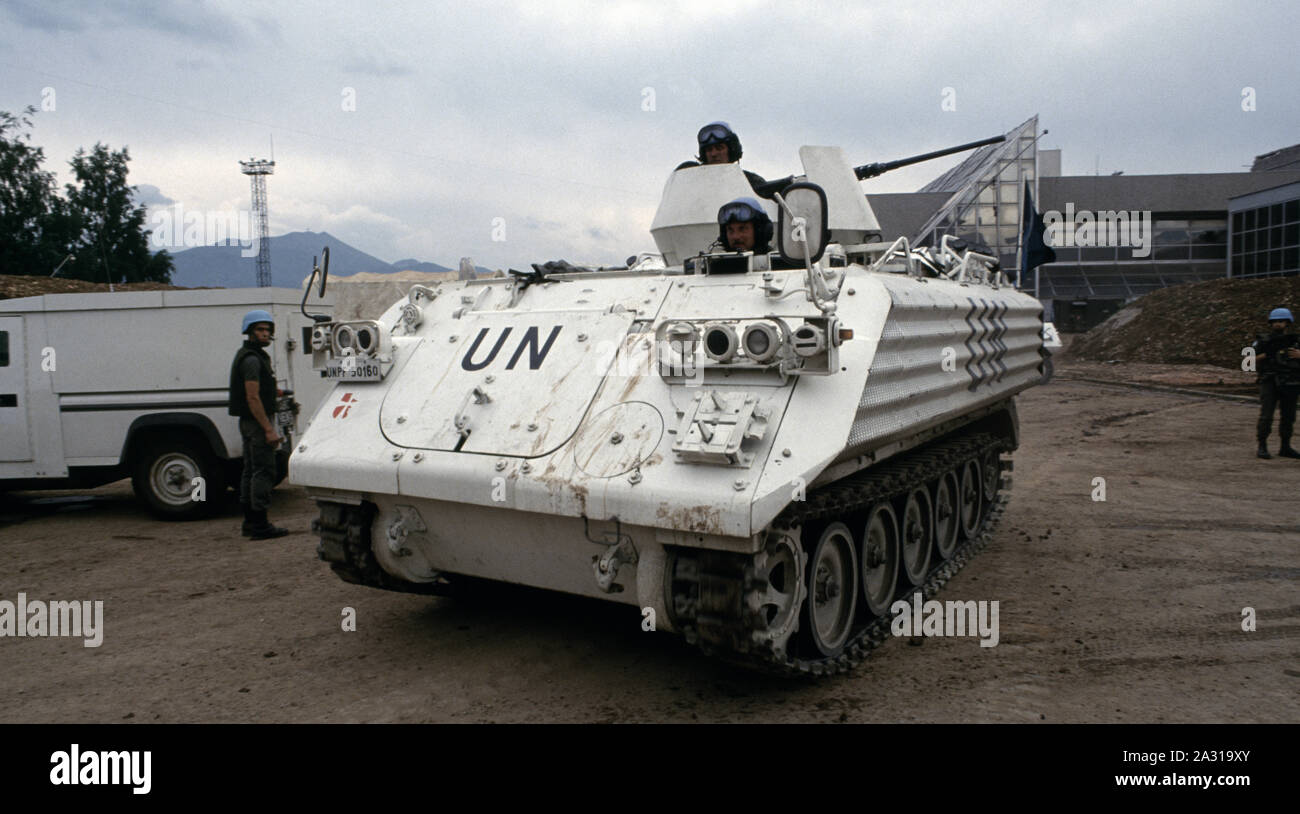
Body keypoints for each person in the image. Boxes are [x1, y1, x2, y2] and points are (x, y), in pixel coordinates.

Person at [228, 310, 290, 538]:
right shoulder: (253, 360)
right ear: (250, 332)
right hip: (257, 423)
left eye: (267, 330)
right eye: (259, 330)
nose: (265, 334)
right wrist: (268, 429)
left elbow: (258, 389)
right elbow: (252, 397)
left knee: (250, 471)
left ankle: (249, 522)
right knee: (264, 471)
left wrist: (275, 391)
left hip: (247, 422)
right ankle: (260, 525)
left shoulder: (248, 355)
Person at [676, 121, 774, 198]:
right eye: (709, 150)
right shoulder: (692, 178)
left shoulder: (750, 181)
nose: (713, 154)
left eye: (719, 148)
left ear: (731, 150)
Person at [1251, 307, 1300, 459]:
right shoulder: (1262, 341)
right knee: (1266, 415)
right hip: (1270, 381)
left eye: (1282, 321)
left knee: (1288, 416)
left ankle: (1285, 446)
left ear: (1288, 323)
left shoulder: (1295, 341)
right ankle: (1262, 445)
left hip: (1291, 381)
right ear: (1271, 323)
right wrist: (1267, 354)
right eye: (1276, 321)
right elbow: (1247, 362)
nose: (1279, 324)